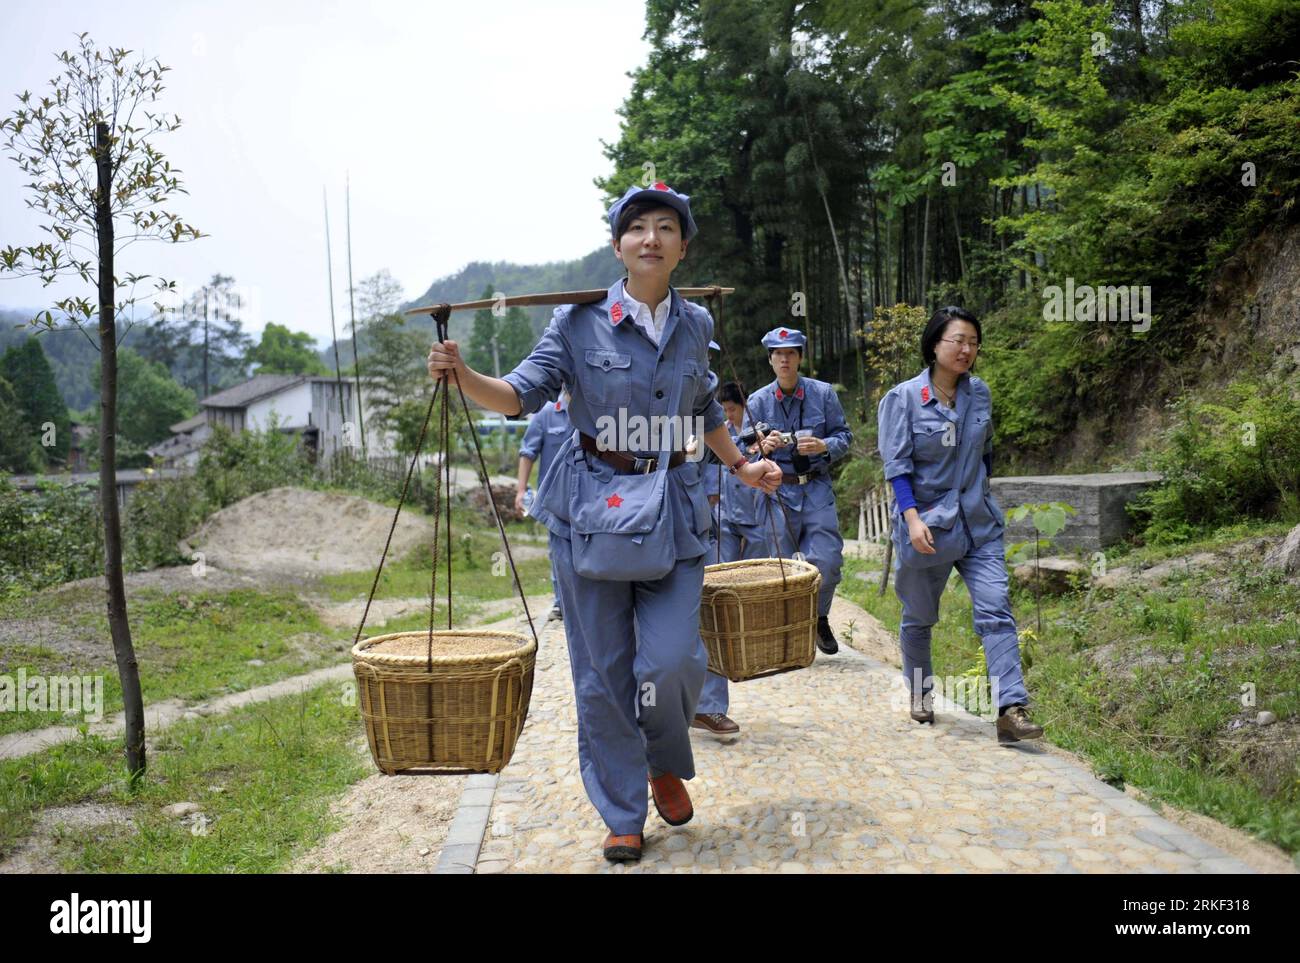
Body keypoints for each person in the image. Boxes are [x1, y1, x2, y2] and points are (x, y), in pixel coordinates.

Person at [426, 182, 782, 863]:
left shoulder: (695, 326)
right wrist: (464, 373)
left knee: (673, 658)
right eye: (637, 227)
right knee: (604, 671)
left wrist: (740, 465)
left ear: (682, 247)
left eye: (665, 228)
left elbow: (704, 406)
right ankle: (623, 810)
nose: (651, 238)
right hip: (591, 511)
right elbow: (516, 394)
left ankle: (661, 759)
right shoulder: (576, 322)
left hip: (673, 508)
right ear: (618, 245)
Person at [875, 306, 1043, 744]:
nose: (967, 349)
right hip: (927, 528)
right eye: (958, 341)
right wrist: (912, 519)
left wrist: (977, 489)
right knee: (919, 617)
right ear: (935, 345)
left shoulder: (980, 394)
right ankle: (920, 691)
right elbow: (897, 467)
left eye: (973, 342)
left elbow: (986, 450)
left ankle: (1011, 708)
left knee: (996, 609)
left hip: (978, 526)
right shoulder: (903, 399)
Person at [746, 327, 852, 654]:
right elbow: (742, 451)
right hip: (778, 489)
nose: (785, 359)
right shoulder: (758, 401)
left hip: (816, 487)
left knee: (828, 559)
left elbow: (844, 437)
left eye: (791, 353)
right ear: (770, 361)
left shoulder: (822, 394)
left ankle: (819, 617)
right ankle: (784, 632)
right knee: (779, 564)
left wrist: (823, 445)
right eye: (778, 354)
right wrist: (762, 446)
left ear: (800, 358)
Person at [692, 378, 766, 738]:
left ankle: (709, 705)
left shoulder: (707, 412)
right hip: (644, 522)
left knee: (711, 607)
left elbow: (727, 454)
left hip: (701, 526)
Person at [516, 386, 572, 620]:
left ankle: (587, 600)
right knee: (559, 552)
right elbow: (528, 452)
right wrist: (521, 490)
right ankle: (561, 602)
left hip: (592, 497)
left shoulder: (591, 411)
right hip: (555, 499)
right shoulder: (547, 414)